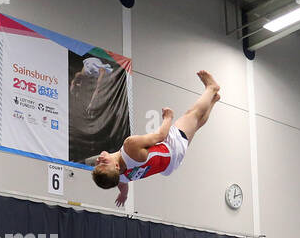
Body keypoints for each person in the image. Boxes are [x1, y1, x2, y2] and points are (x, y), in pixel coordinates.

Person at [91, 71, 221, 206]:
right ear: (117, 166)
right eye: (104, 163)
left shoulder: (121, 177)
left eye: (97, 164)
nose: (99, 159)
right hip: (171, 147)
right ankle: (212, 88)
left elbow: (122, 186)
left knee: (196, 124)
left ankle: (213, 100)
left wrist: (123, 195)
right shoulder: (130, 147)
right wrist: (168, 117)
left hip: (169, 164)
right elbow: (160, 136)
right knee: (192, 115)